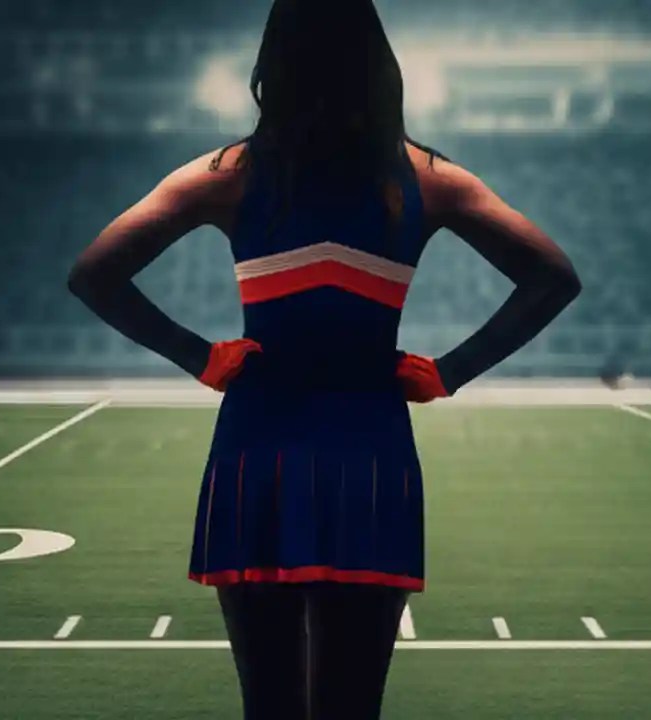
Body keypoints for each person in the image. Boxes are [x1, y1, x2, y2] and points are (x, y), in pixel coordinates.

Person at [67, 2, 580, 717]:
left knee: (270, 705)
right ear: (380, 66)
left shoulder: (226, 173)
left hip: (259, 447)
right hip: (370, 449)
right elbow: (554, 276)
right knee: (351, 706)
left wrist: (199, 357)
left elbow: (93, 273)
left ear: (272, 66)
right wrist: (447, 372)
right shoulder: (430, 179)